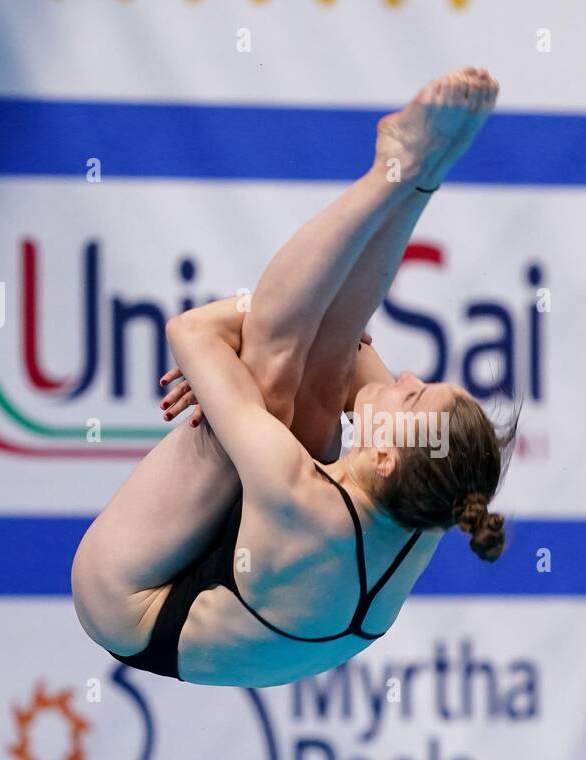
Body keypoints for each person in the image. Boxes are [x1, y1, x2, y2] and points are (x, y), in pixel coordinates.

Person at [71, 68, 514, 687]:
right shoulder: (433, 489)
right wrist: (254, 358)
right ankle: (421, 177)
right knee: (323, 370)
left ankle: (391, 166)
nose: (406, 373)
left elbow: (191, 332)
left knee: (272, 378)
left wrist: (235, 349)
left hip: (137, 603)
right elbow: (347, 348)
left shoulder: (299, 498)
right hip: (269, 584)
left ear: (384, 457)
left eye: (412, 393)